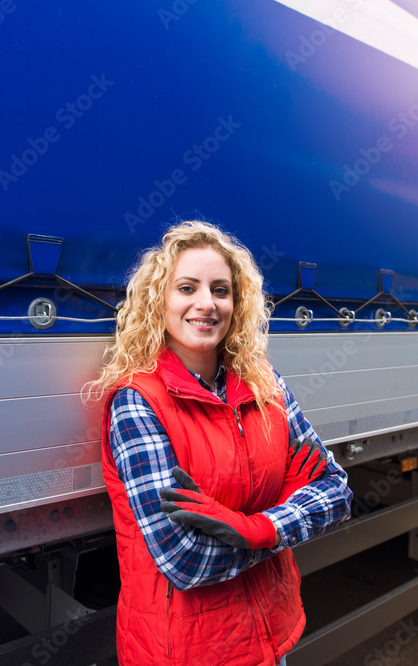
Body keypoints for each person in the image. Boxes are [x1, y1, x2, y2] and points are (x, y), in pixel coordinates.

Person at [85, 220, 353, 666]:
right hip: (189, 651)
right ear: (159, 301)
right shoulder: (138, 403)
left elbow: (335, 491)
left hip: (271, 634)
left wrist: (254, 530)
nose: (207, 304)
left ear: (237, 301)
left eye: (221, 290)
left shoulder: (266, 385)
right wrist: (286, 513)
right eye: (187, 288)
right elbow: (183, 560)